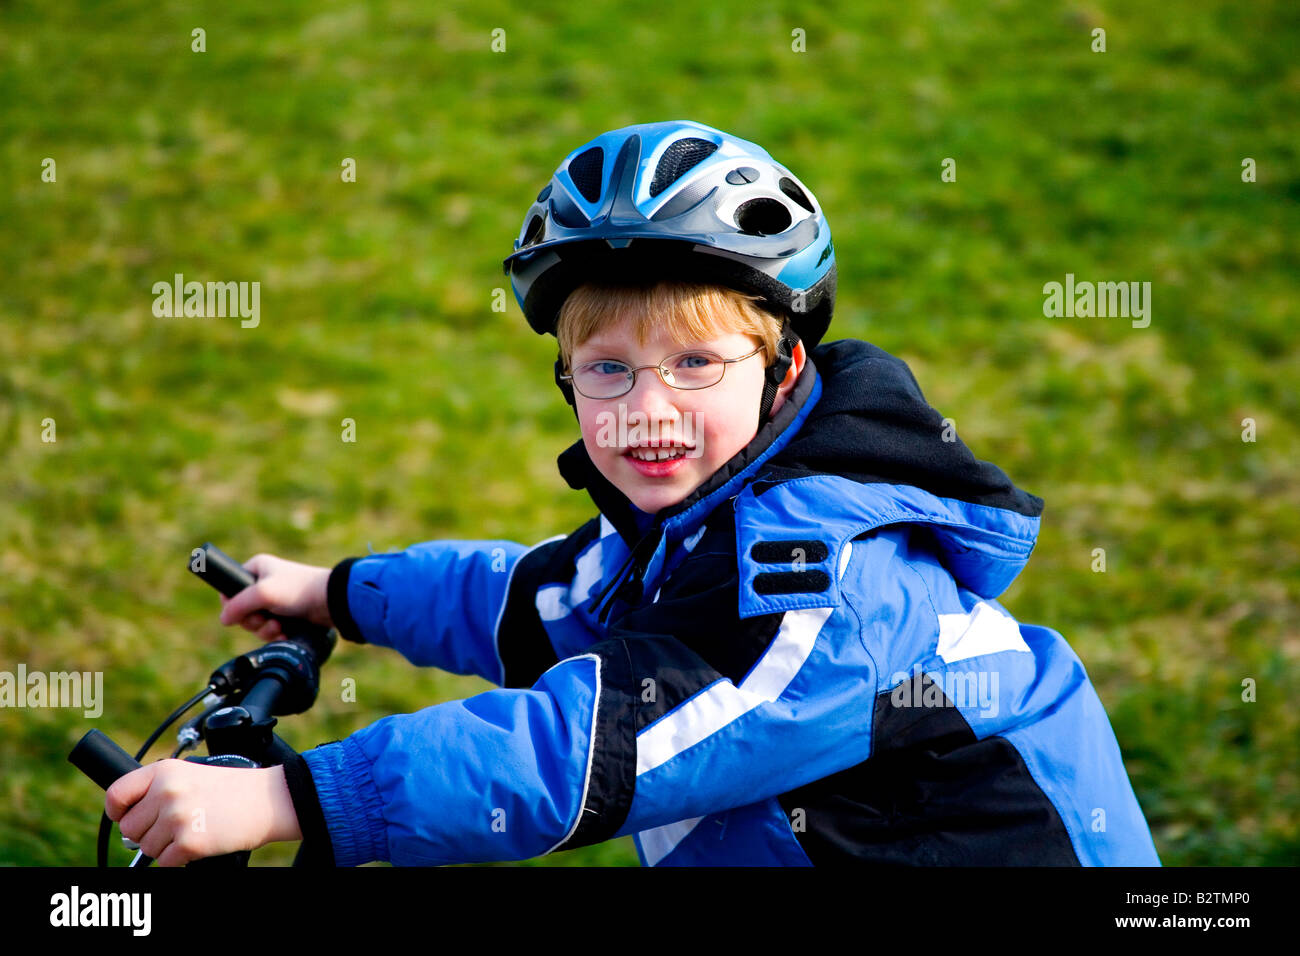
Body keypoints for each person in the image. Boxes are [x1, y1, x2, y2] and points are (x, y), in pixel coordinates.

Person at [106, 120, 1161, 866]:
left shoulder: (821, 577)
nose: (645, 410)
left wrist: (290, 797)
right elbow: (534, 598)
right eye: (607, 369)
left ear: (783, 364)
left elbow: (596, 742)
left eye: (695, 365)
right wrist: (340, 592)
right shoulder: (692, 514)